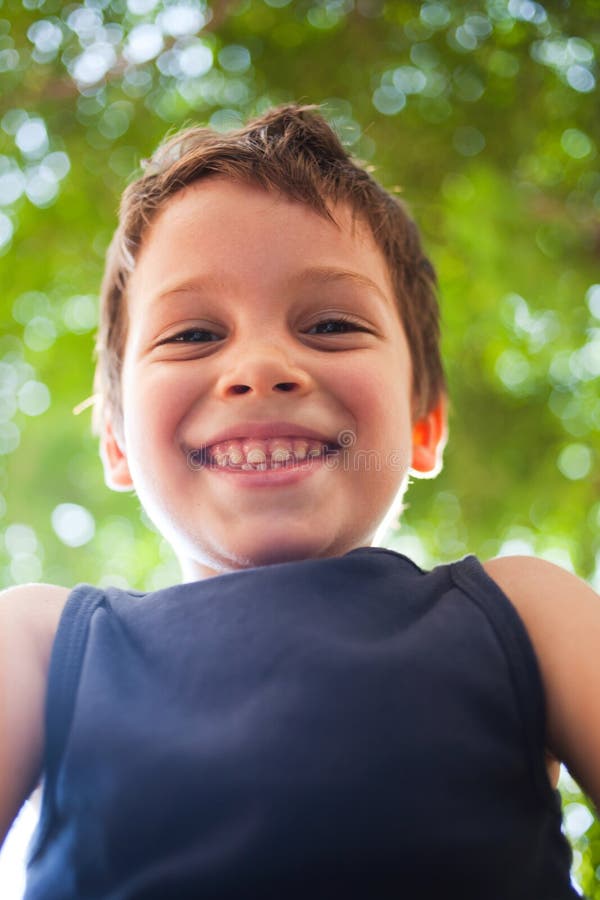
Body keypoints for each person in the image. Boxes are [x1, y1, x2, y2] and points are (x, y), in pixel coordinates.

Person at [0, 103, 597, 898]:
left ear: (424, 423)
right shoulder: (37, 646)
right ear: (116, 440)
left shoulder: (529, 614)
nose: (260, 367)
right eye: (192, 335)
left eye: (331, 324)